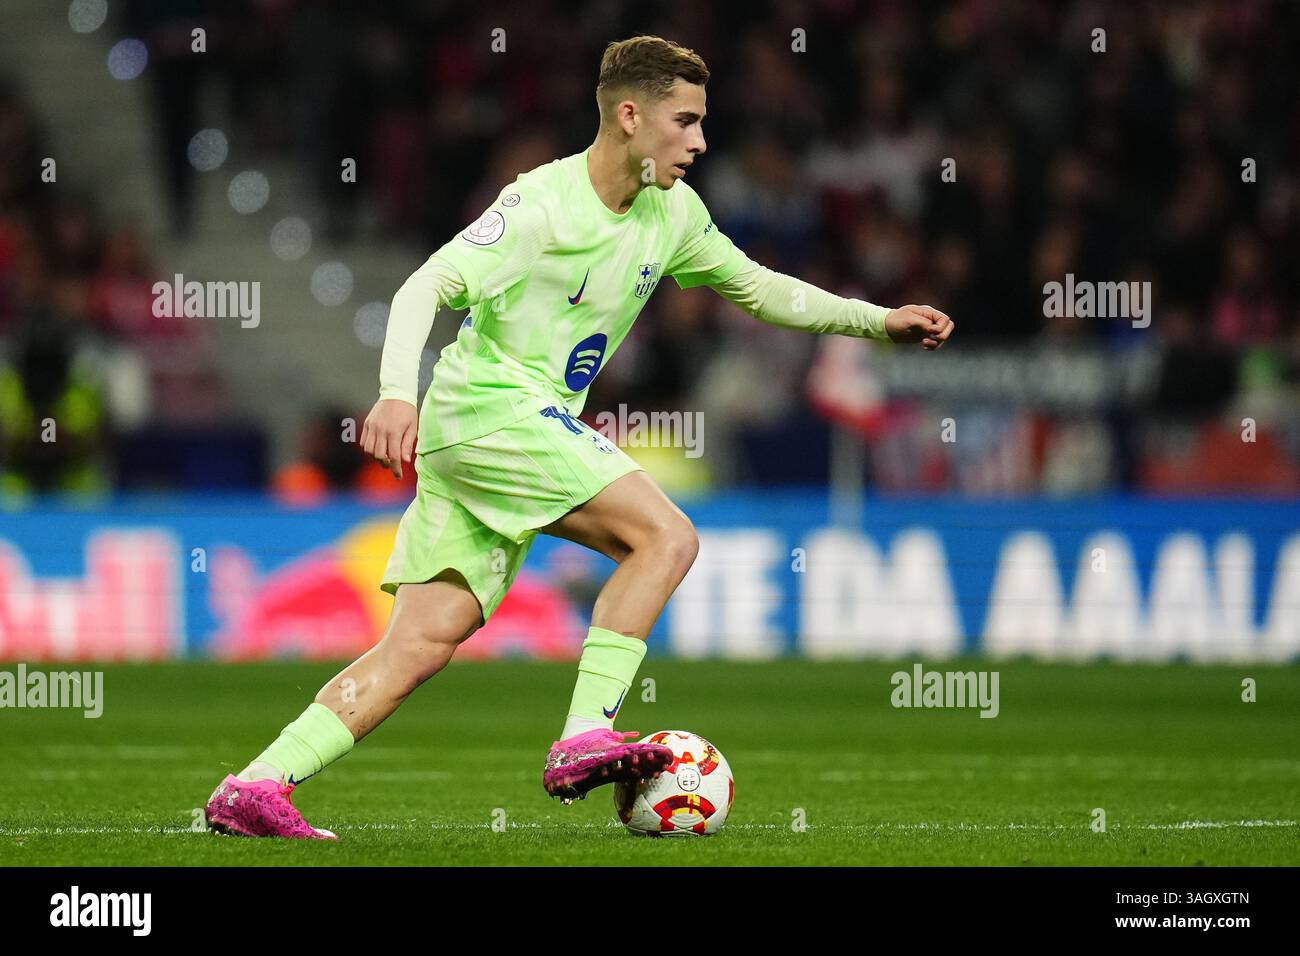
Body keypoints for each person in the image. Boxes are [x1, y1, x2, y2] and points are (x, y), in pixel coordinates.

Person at [204, 35, 952, 839]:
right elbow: (427, 284)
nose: (700, 142)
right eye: (686, 121)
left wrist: (878, 322)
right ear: (631, 116)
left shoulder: (673, 213)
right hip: (491, 410)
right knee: (665, 538)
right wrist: (394, 394)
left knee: (420, 645)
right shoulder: (541, 207)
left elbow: (762, 291)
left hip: (493, 433)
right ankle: (583, 734)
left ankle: (254, 787)